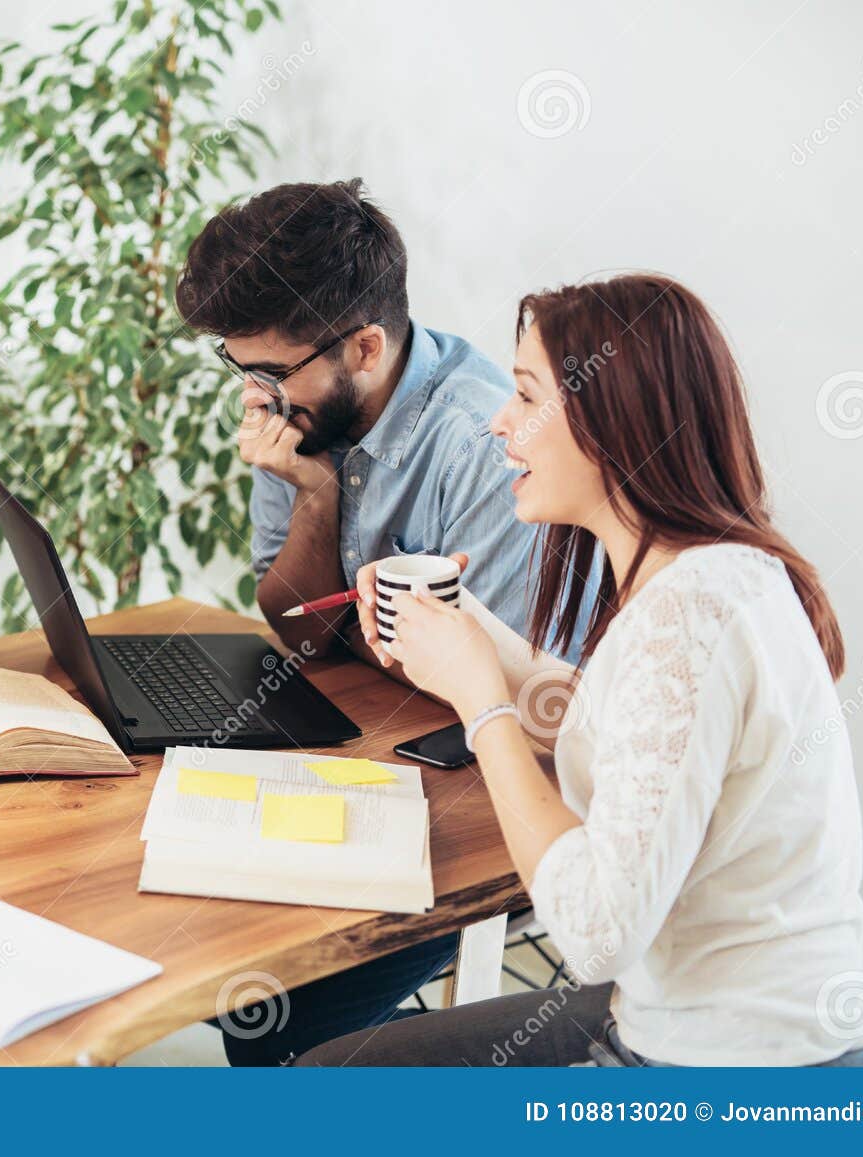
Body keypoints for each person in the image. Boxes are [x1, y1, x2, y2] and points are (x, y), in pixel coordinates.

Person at [301, 273, 863, 1067]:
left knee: (330, 1081)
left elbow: (593, 934)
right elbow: (619, 730)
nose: (498, 422)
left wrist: (485, 706)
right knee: (348, 1071)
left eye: (524, 395)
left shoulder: (686, 616)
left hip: (736, 1074)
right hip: (751, 1035)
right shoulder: (719, 574)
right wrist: (466, 626)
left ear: (614, 422)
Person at [175, 179, 589, 1065]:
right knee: (216, 951)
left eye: (270, 370)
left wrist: (366, 638)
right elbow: (295, 622)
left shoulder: (484, 443)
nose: (253, 393)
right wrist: (316, 492)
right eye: (237, 364)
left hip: (497, 802)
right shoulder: (304, 407)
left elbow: (505, 699)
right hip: (373, 750)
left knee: (277, 1017)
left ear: (364, 345)